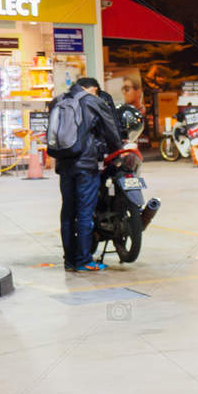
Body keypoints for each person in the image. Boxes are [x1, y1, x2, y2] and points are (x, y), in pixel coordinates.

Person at [52, 77, 121, 272]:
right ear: (93, 89)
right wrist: (118, 152)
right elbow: (111, 130)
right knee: (84, 212)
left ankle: (69, 260)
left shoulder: (57, 100)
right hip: (86, 164)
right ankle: (83, 260)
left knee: (67, 212)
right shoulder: (93, 101)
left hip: (64, 164)